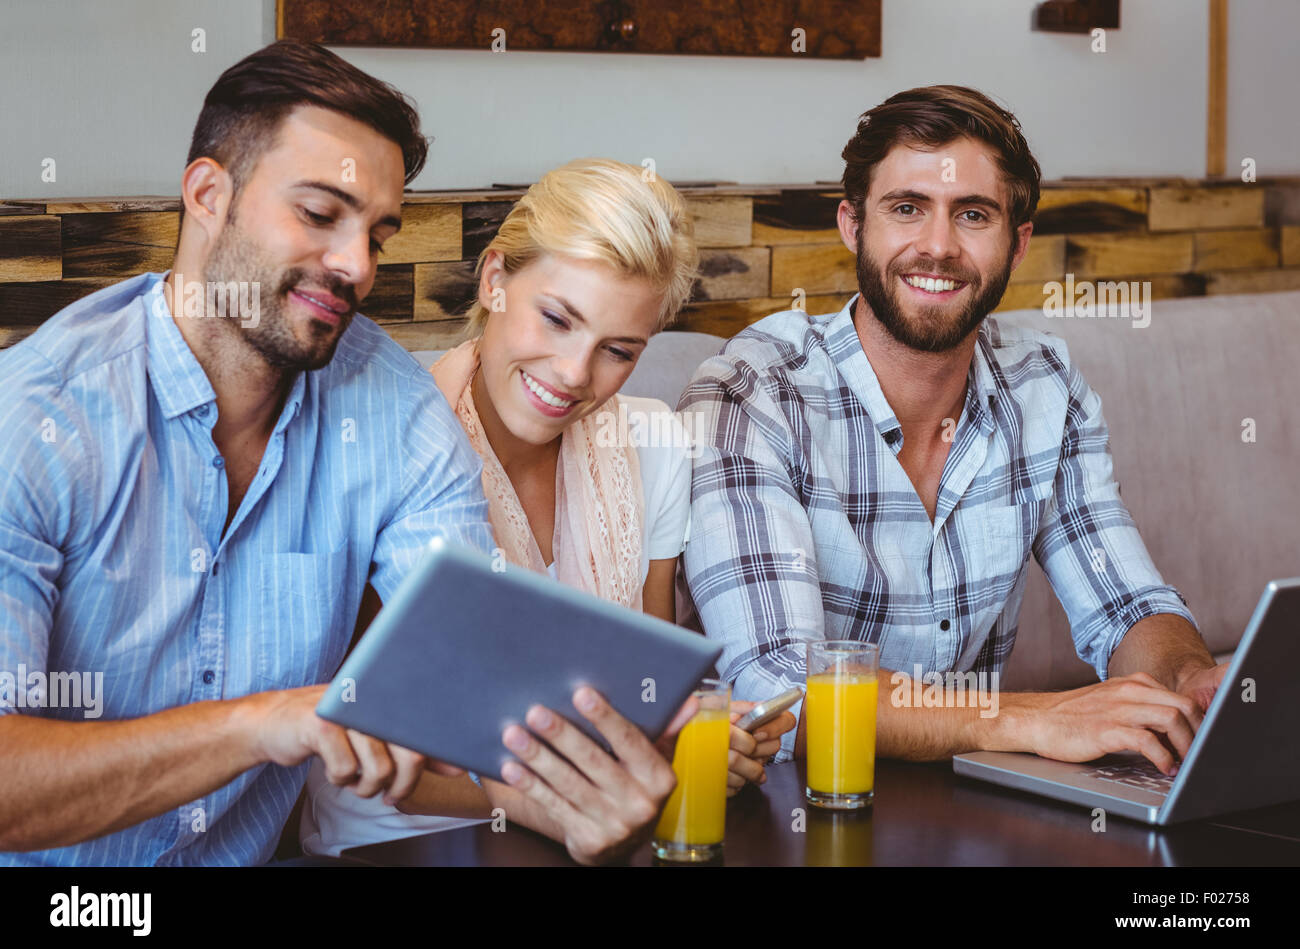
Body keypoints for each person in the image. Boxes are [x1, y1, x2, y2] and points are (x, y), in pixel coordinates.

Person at [0, 40, 686, 867]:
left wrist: (589, 784)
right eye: (321, 215)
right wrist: (262, 723)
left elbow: (477, 684)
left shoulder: (395, 415)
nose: (357, 266)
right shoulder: (37, 419)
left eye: (378, 234)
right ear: (209, 194)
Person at [679, 85, 1228, 774]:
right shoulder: (752, 394)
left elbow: (1125, 603)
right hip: (786, 809)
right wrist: (1037, 717)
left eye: (972, 214)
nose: (937, 247)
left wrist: (1187, 679)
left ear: (1018, 243)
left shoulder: (1042, 383)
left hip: (974, 802)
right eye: (907, 209)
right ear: (853, 226)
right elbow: (778, 688)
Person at [301, 159, 797, 859]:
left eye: (617, 351)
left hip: (590, 832)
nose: (572, 374)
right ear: (496, 279)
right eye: (557, 319)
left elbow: (643, 691)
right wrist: (587, 795)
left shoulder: (652, 443)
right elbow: (365, 754)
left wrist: (697, 740)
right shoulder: (386, 443)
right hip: (402, 843)